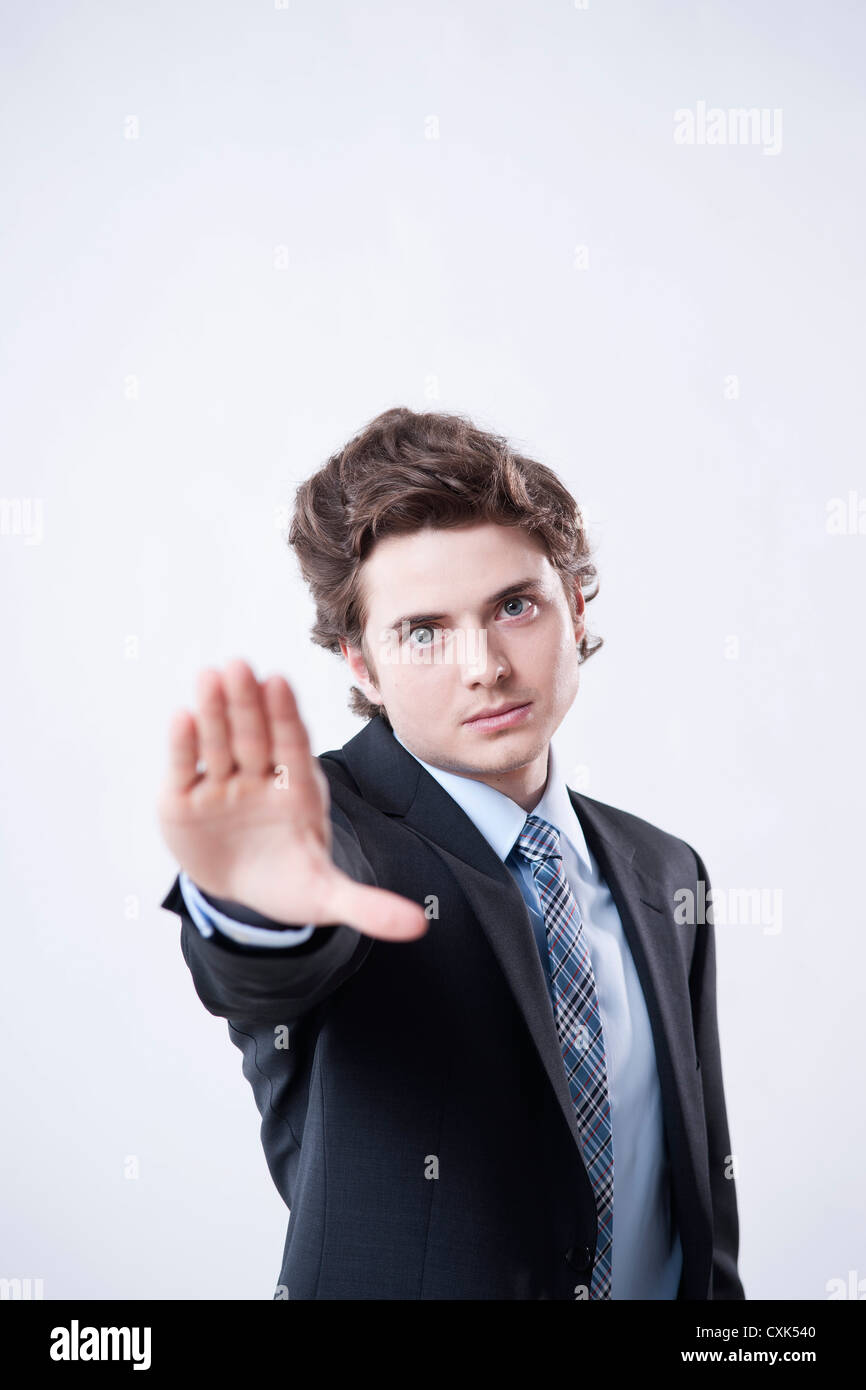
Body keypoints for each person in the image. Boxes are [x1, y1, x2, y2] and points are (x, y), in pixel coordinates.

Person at [158, 406, 745, 1300]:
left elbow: (695, 1205)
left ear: (575, 606)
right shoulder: (333, 833)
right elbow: (265, 953)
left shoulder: (666, 871)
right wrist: (253, 897)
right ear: (361, 663)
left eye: (515, 606)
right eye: (423, 631)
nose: (485, 666)